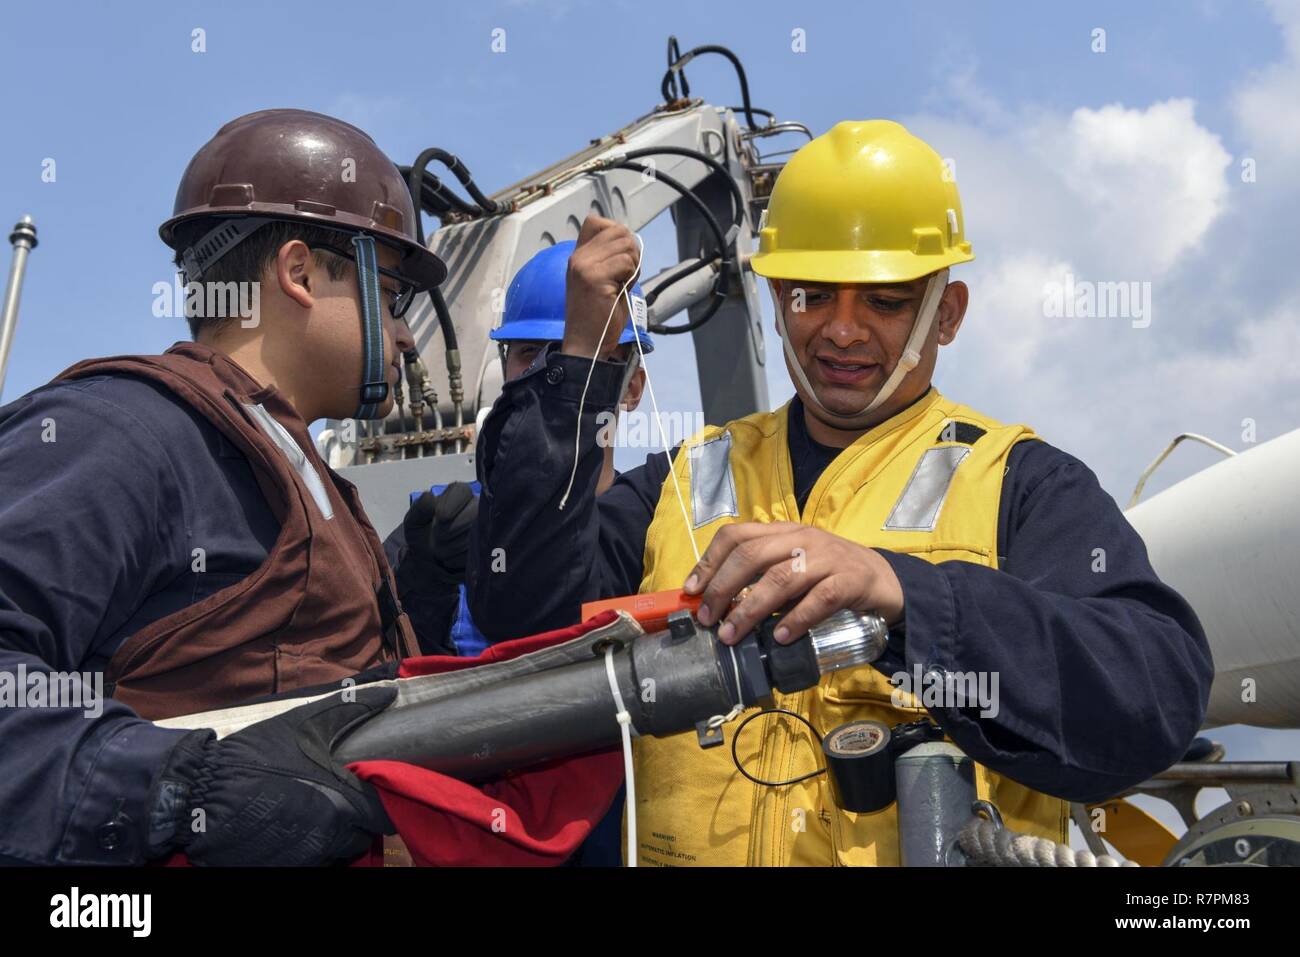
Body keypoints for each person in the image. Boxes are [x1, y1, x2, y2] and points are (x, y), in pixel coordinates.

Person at [466, 120, 1215, 866]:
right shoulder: (685, 477)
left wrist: (906, 593)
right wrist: (577, 372)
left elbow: (1154, 692)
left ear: (946, 315)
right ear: (776, 300)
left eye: (885, 301)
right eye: (814, 295)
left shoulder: (1020, 483)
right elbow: (523, 618)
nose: (843, 330)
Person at [0, 108, 446, 865]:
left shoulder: (294, 468)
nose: (405, 334)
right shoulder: (129, 431)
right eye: (393, 295)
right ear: (300, 273)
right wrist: (177, 790)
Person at [386, 240, 651, 656]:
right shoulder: (436, 525)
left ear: (632, 388)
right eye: (529, 352)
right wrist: (426, 579)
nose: (552, 372)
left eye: (578, 353)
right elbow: (375, 673)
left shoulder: (656, 526)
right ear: (503, 374)